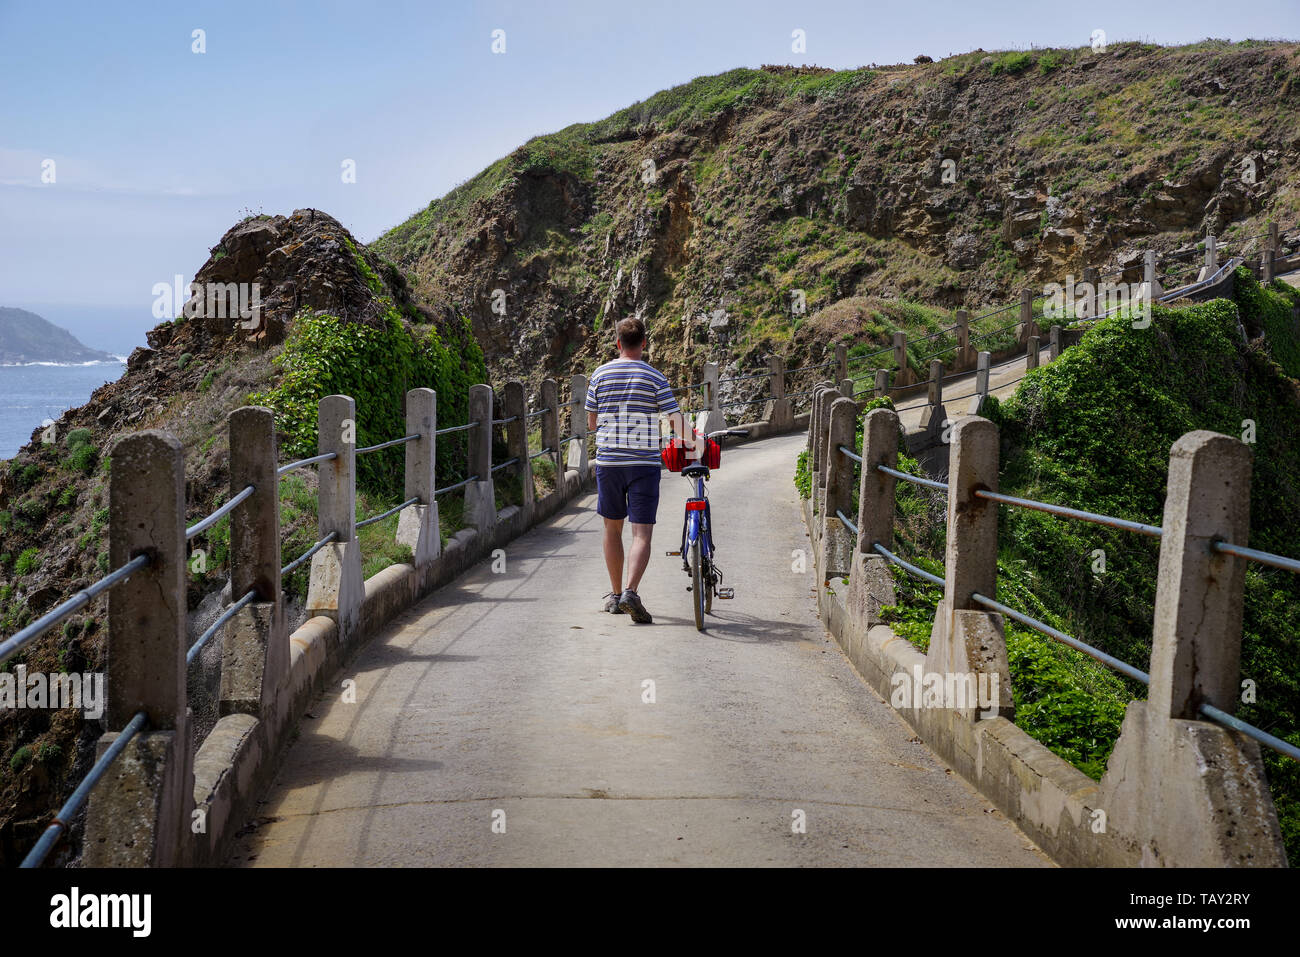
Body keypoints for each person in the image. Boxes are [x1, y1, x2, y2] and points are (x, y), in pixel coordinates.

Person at [585, 317, 685, 623]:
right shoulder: (655, 378)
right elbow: (676, 423)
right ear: (644, 343)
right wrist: (694, 442)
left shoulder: (600, 375)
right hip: (643, 463)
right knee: (641, 533)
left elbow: (591, 423)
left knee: (611, 529)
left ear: (618, 343)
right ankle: (631, 591)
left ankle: (615, 596)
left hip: (609, 463)